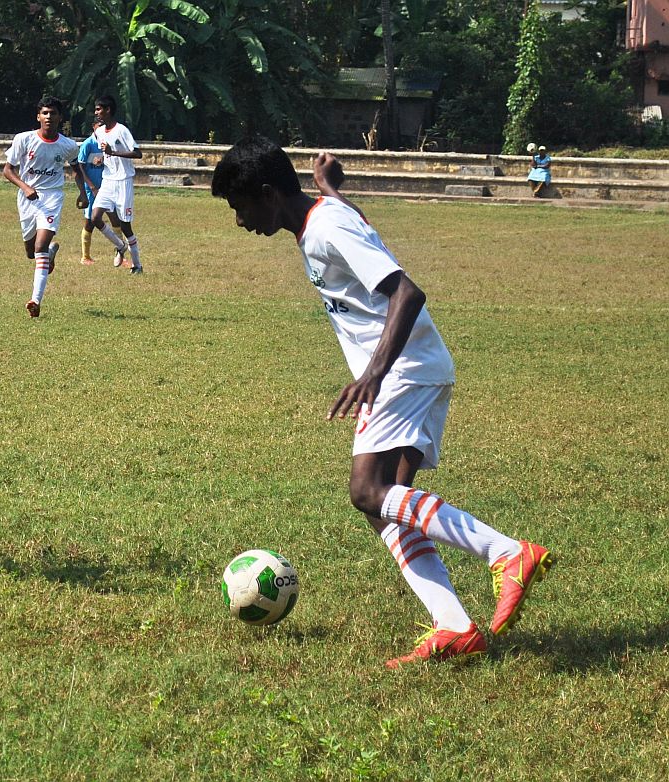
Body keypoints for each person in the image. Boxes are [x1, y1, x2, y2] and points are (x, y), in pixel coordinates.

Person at [211, 136, 556, 668]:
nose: (240, 222)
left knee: (367, 491)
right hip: (415, 368)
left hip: (402, 370)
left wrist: (374, 372)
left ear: (267, 193)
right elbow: (365, 243)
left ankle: (505, 552)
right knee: (386, 503)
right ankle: (455, 626)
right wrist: (332, 189)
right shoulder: (323, 217)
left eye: (241, 207)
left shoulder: (326, 225)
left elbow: (407, 292)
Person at [2, 96, 88, 318]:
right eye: (45, 113)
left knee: (39, 246)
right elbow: (8, 170)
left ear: (60, 118)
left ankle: (35, 300)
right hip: (27, 198)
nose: (49, 117)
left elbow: (77, 169)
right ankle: (49, 255)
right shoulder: (24, 139)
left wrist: (83, 192)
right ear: (38, 116)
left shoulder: (68, 146)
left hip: (51, 198)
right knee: (32, 253)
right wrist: (25, 187)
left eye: (53, 113)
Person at [86, 95, 144, 274]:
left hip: (123, 181)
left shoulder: (122, 130)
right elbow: (105, 153)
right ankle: (120, 246)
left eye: (98, 109)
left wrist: (114, 152)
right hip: (108, 180)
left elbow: (137, 154)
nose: (96, 113)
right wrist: (99, 159)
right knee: (95, 217)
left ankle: (137, 265)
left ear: (108, 110)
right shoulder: (99, 132)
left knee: (125, 225)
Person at [77, 117, 123, 265]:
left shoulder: (106, 143)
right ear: (94, 126)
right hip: (93, 189)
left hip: (107, 188)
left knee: (115, 219)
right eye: (100, 125)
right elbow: (81, 167)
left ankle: (120, 253)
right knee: (90, 221)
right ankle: (85, 256)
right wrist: (91, 187)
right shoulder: (88, 144)